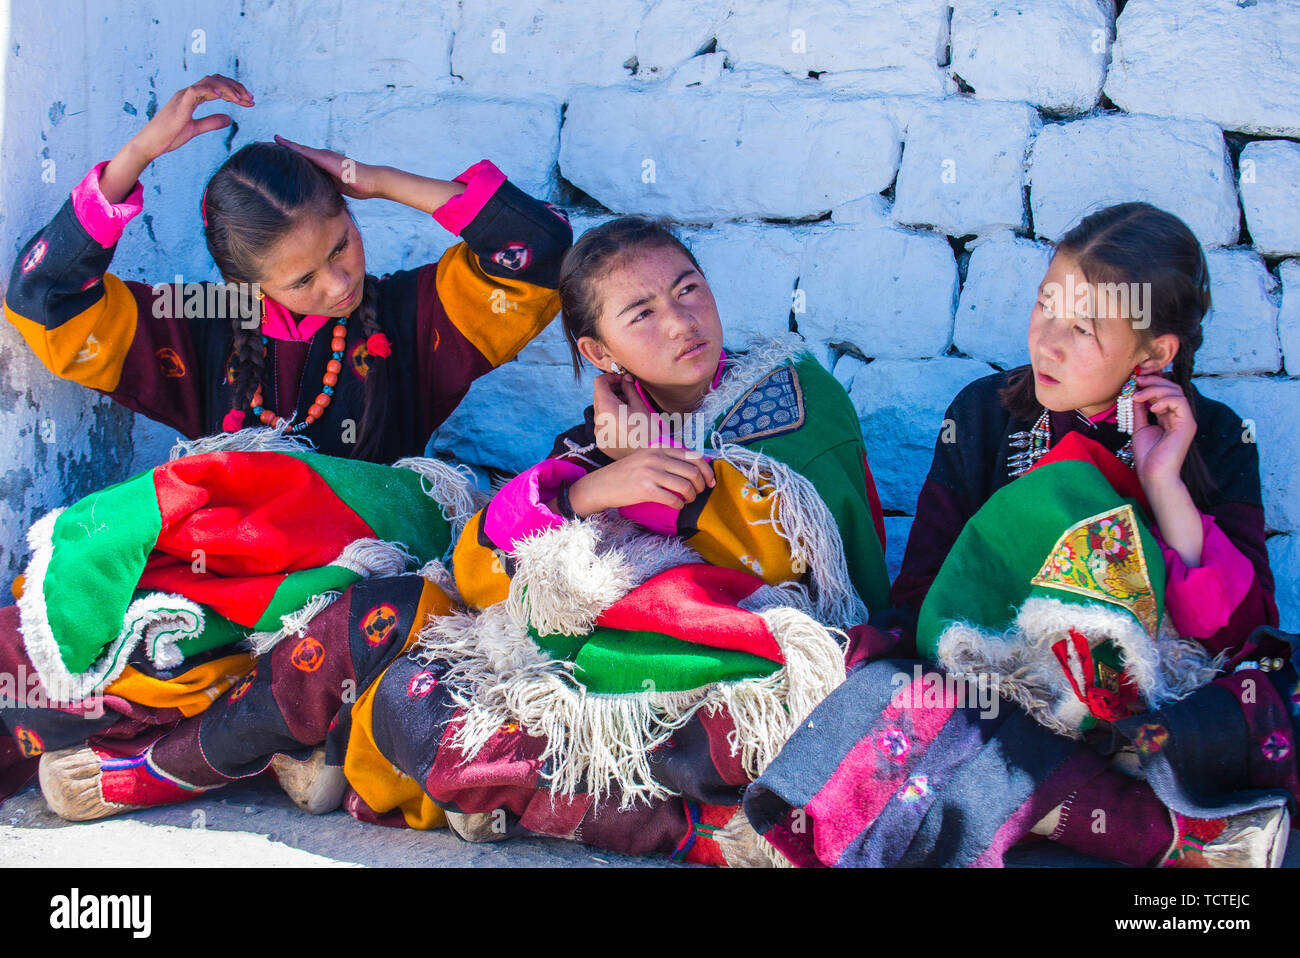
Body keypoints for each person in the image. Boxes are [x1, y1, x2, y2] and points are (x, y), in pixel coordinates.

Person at [746, 202, 1297, 868]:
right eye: (1045, 307)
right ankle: (1165, 830)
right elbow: (923, 590)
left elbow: (1243, 631)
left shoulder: (1213, 435)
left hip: (1147, 694)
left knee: (1261, 701)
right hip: (1003, 678)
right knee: (902, 692)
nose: (1046, 343)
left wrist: (1164, 485)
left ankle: (1045, 805)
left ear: (1156, 351)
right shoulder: (985, 414)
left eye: (1083, 329)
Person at [343, 216, 894, 865]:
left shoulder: (795, 394)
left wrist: (648, 460)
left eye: (689, 289)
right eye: (642, 312)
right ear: (601, 352)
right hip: (619, 662)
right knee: (412, 696)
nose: (681, 321)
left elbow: (786, 559)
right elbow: (486, 578)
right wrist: (587, 493)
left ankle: (656, 822)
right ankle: (705, 828)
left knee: (737, 729)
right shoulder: (598, 443)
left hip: (773, 662)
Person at [4, 74, 573, 462]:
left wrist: (379, 179)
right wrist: (136, 156)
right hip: (237, 577)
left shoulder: (412, 316)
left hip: (370, 575)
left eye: (341, 244)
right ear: (243, 284)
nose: (339, 283)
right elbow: (46, 299)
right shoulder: (195, 326)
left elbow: (538, 249)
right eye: (302, 281)